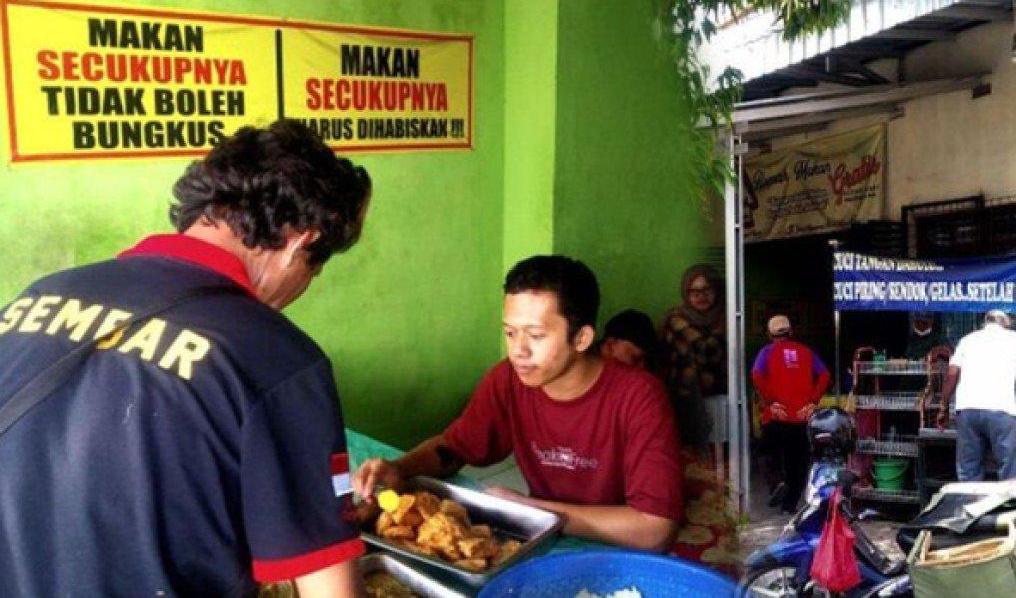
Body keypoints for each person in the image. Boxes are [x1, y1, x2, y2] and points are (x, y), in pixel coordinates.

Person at [0, 120, 373, 597]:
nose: (305, 286)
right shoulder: (280, 359)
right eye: (315, 268)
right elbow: (330, 591)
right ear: (301, 241)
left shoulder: (35, 299)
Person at [353, 256, 682, 551]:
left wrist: (533, 511)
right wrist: (401, 468)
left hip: (620, 553)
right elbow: (454, 448)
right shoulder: (510, 379)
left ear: (581, 338)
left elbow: (654, 529)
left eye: (536, 335)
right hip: (549, 541)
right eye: (511, 333)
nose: (518, 351)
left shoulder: (639, 396)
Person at [938, 309, 1016, 481]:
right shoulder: (1014, 338)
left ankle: (968, 503)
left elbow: (951, 374)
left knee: (968, 470)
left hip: (967, 412)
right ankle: (1010, 505)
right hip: (1001, 411)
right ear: (1007, 321)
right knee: (1011, 470)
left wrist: (943, 407)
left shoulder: (967, 340)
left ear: (985, 321)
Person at [750, 315, 831, 512]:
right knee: (799, 461)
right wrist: (812, 402)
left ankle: (777, 482)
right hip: (801, 418)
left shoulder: (766, 352)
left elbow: (756, 374)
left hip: (778, 415)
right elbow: (824, 374)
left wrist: (771, 401)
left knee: (767, 454)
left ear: (770, 335)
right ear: (791, 332)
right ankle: (790, 505)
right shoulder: (806, 352)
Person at [661, 263, 726, 450]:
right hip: (685, 403)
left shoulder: (731, 316)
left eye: (707, 290)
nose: (701, 296)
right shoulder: (676, 321)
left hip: (722, 403)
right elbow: (707, 352)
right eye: (693, 291)